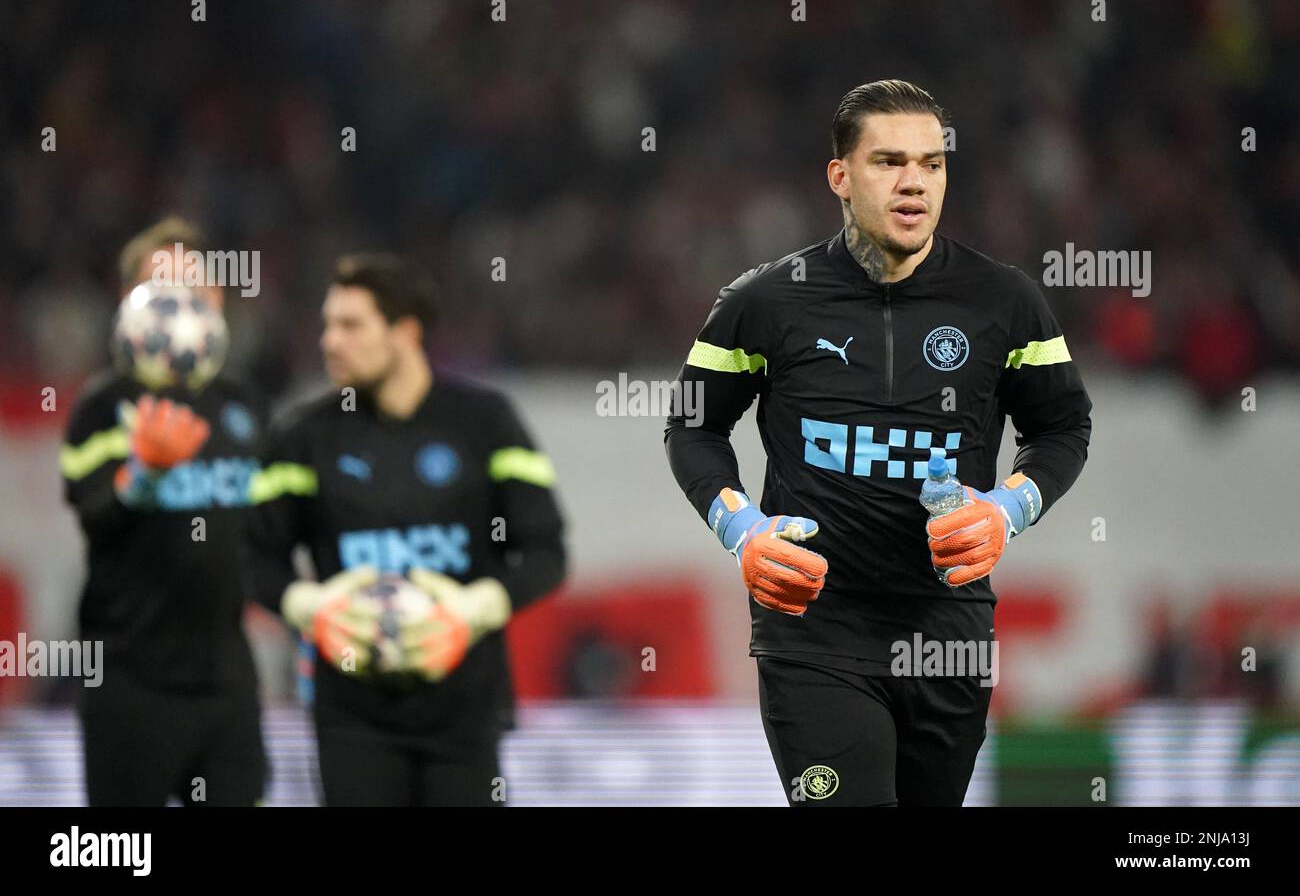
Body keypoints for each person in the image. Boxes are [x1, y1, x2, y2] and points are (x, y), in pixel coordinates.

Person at [664, 80, 1092, 806]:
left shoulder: (1006, 302)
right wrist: (743, 530)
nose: (914, 182)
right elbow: (693, 425)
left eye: (932, 163)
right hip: (815, 633)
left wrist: (1007, 510)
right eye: (889, 161)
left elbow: (1062, 427)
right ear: (840, 175)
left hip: (948, 634)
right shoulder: (765, 301)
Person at [247, 253, 566, 806]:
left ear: (404, 331)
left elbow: (546, 553)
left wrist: (476, 608)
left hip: (466, 712)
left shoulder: (486, 422)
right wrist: (309, 606)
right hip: (351, 716)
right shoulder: (303, 436)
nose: (330, 341)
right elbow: (253, 557)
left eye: (351, 325)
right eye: (327, 324)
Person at [61, 217, 268, 806]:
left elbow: (269, 528)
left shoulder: (246, 408)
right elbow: (95, 513)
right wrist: (145, 474)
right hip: (130, 681)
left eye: (193, 285)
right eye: (161, 287)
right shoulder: (103, 407)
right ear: (130, 305)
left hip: (226, 679)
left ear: (218, 298)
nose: (180, 303)